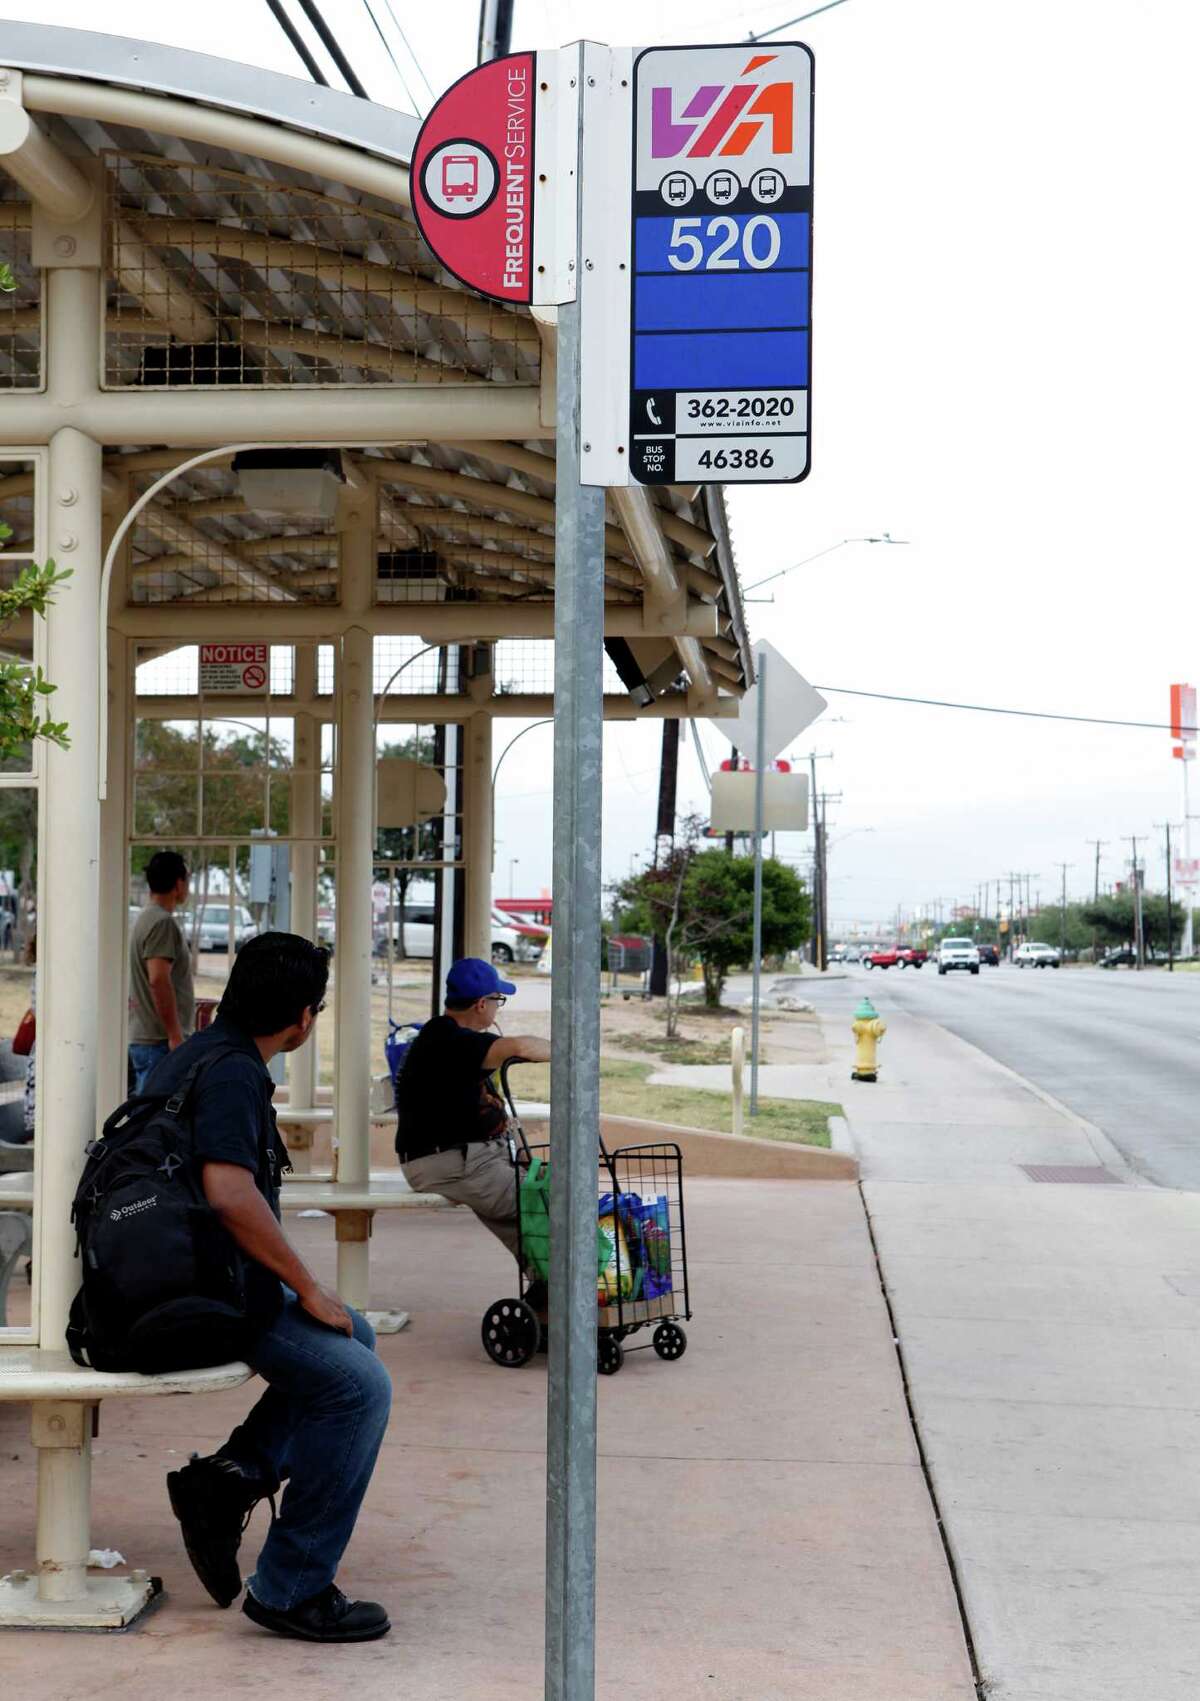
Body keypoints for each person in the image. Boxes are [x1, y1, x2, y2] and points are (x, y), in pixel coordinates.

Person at [158, 932, 393, 1643]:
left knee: (358, 1334)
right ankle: (292, 1586)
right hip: (198, 1296)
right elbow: (229, 1193)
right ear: (302, 1019)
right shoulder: (231, 1073)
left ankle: (228, 1479)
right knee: (360, 1386)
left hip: (181, 1279)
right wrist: (307, 1286)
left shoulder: (200, 1054)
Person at [395, 957, 551, 1261]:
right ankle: (567, 1289)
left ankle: (548, 1292)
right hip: (453, 1163)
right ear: (482, 1004)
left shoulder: (448, 1038)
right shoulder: (450, 1040)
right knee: (555, 1198)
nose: (498, 1008)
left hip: (465, 1162)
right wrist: (572, 1048)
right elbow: (519, 1047)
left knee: (535, 1232)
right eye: (498, 1000)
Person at [128, 850, 195, 1092]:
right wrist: (175, 1035)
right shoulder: (162, 923)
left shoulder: (145, 919)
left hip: (148, 1038)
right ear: (178, 884)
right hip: (158, 1042)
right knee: (153, 1120)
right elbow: (158, 979)